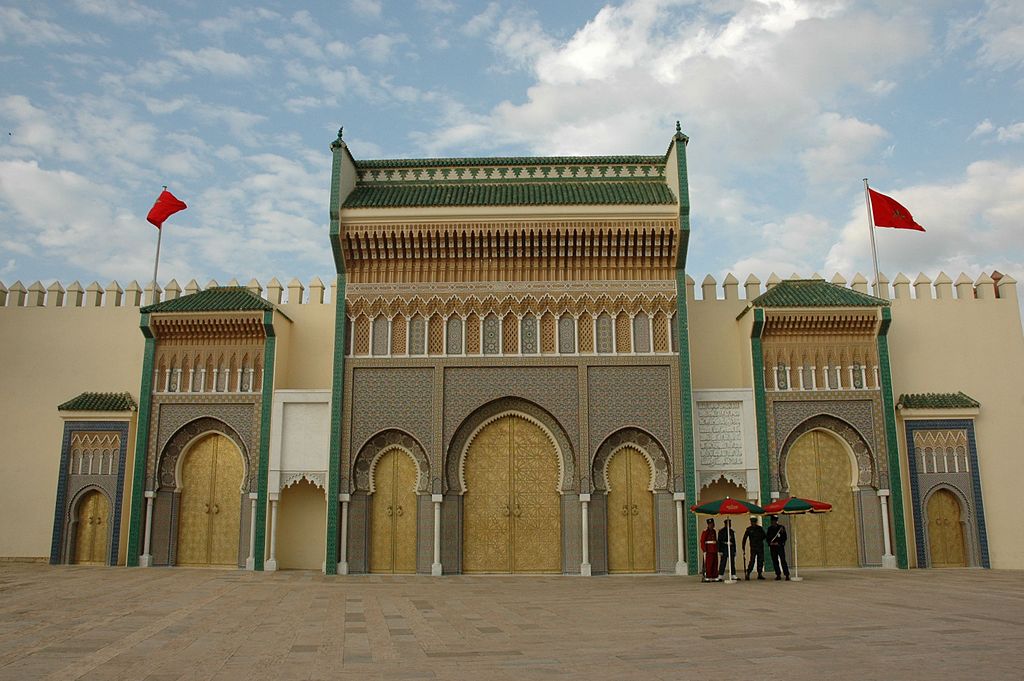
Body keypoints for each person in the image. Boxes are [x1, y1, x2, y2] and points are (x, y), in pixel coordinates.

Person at [766, 515, 791, 581]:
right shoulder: (769, 529)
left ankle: (787, 574)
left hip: (780, 547)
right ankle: (778, 574)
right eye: (772, 521)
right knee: (775, 561)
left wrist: (779, 543)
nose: (773, 522)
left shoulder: (781, 528)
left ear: (776, 521)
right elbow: (768, 538)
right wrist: (770, 543)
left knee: (783, 560)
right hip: (773, 547)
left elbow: (784, 537)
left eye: (774, 520)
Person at [742, 516, 766, 580]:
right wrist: (743, 547)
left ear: (756, 522)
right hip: (753, 548)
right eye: (752, 522)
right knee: (752, 561)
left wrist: (759, 539)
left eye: (754, 522)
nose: (753, 523)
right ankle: (748, 573)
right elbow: (744, 538)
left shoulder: (760, 529)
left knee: (760, 561)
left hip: (760, 547)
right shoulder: (749, 529)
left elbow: (764, 536)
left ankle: (760, 574)